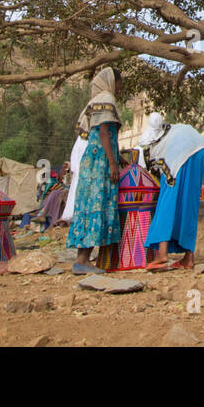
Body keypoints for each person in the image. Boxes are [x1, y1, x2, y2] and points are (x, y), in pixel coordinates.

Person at [68, 67, 122, 274]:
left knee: (89, 202)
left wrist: (120, 157)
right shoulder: (107, 98)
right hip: (100, 162)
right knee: (96, 203)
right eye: (119, 83)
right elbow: (104, 132)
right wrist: (113, 162)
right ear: (111, 82)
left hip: (93, 160)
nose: (120, 88)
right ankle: (83, 260)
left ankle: (84, 257)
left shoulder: (95, 101)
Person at [140, 112, 204, 270]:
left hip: (183, 154)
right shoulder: (173, 130)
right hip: (200, 149)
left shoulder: (157, 148)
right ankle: (188, 257)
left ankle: (162, 255)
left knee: (165, 203)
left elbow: (160, 173)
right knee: (189, 204)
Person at [35, 162, 71, 230]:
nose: (64, 169)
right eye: (63, 167)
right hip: (63, 194)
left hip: (67, 194)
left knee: (54, 194)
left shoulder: (52, 182)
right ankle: (42, 213)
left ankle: (43, 213)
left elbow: (69, 186)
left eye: (65, 167)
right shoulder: (62, 177)